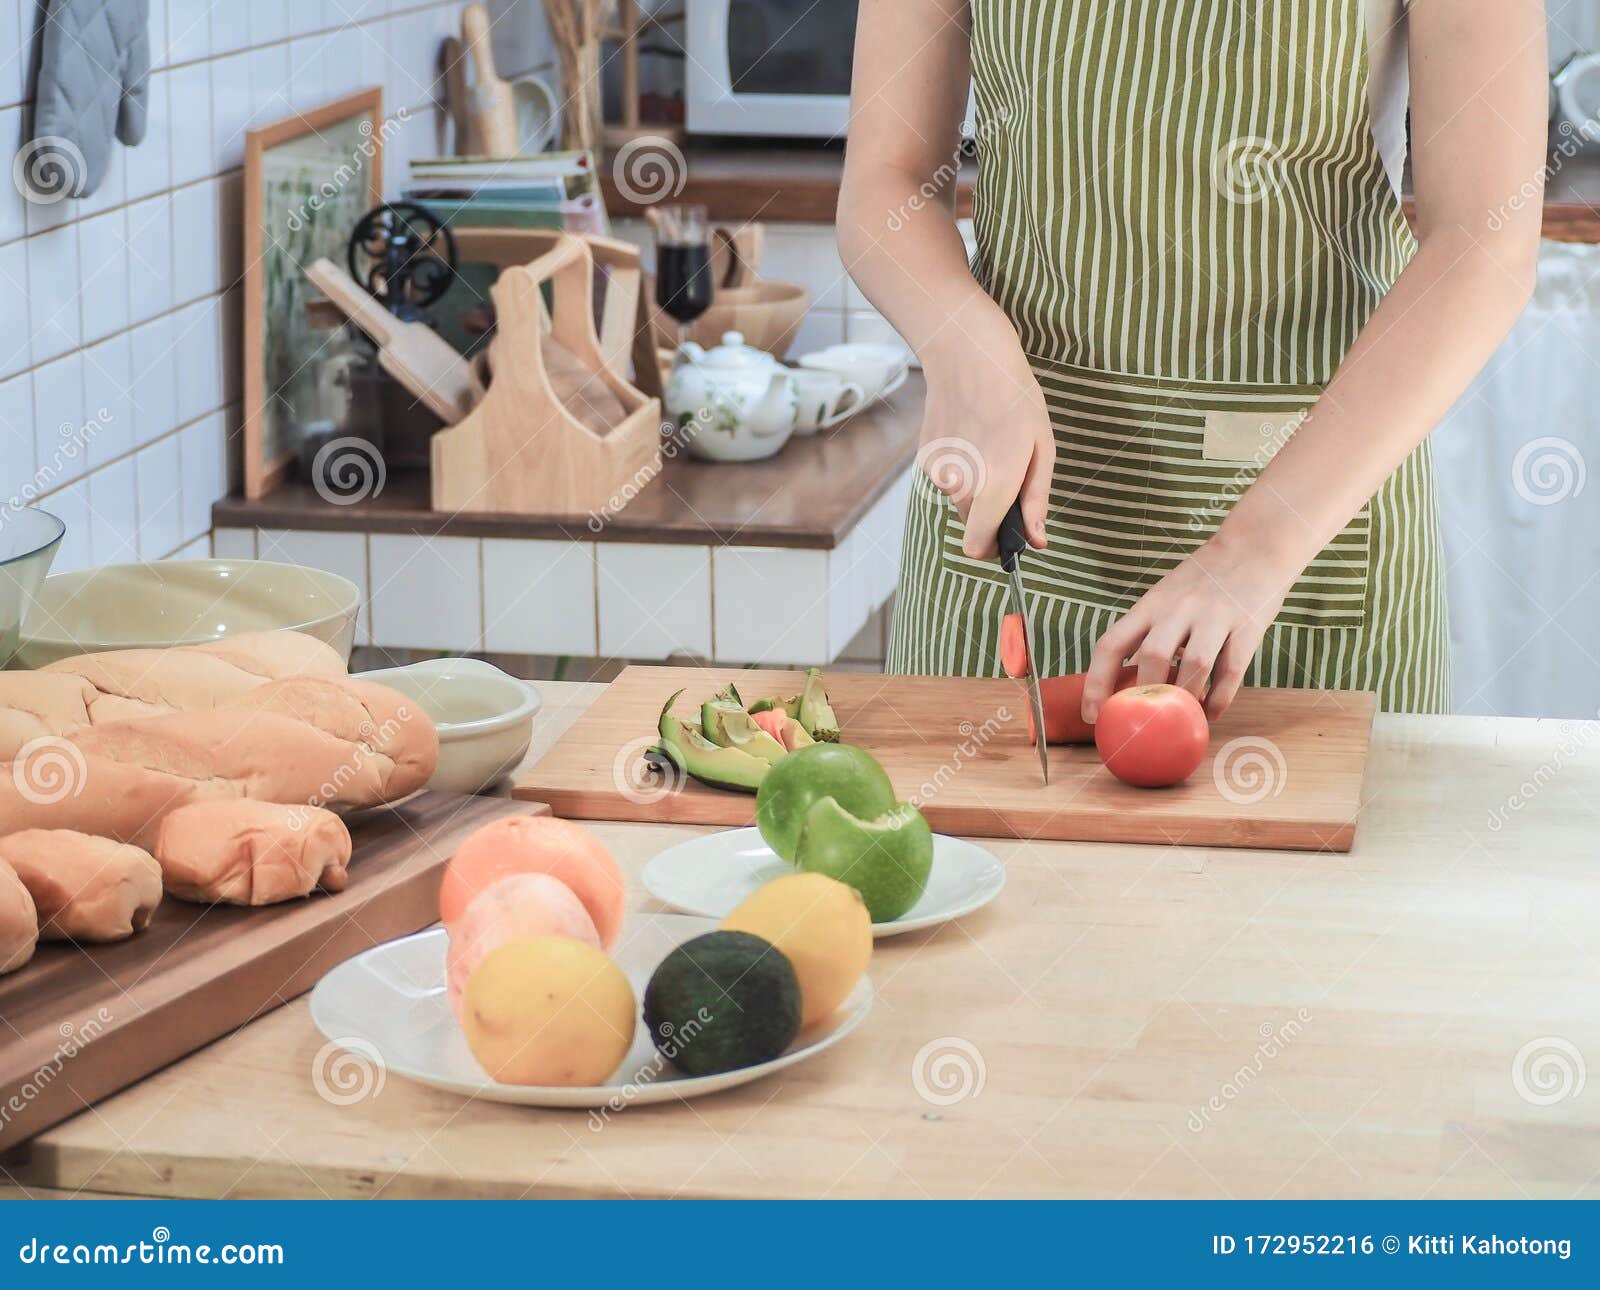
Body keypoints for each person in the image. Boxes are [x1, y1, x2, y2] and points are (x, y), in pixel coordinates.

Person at [839, 0, 1547, 717]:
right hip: (1011, 520)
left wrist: (1257, 548)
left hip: (1308, 532)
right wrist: (964, 344)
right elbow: (886, 177)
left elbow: (1484, 243)